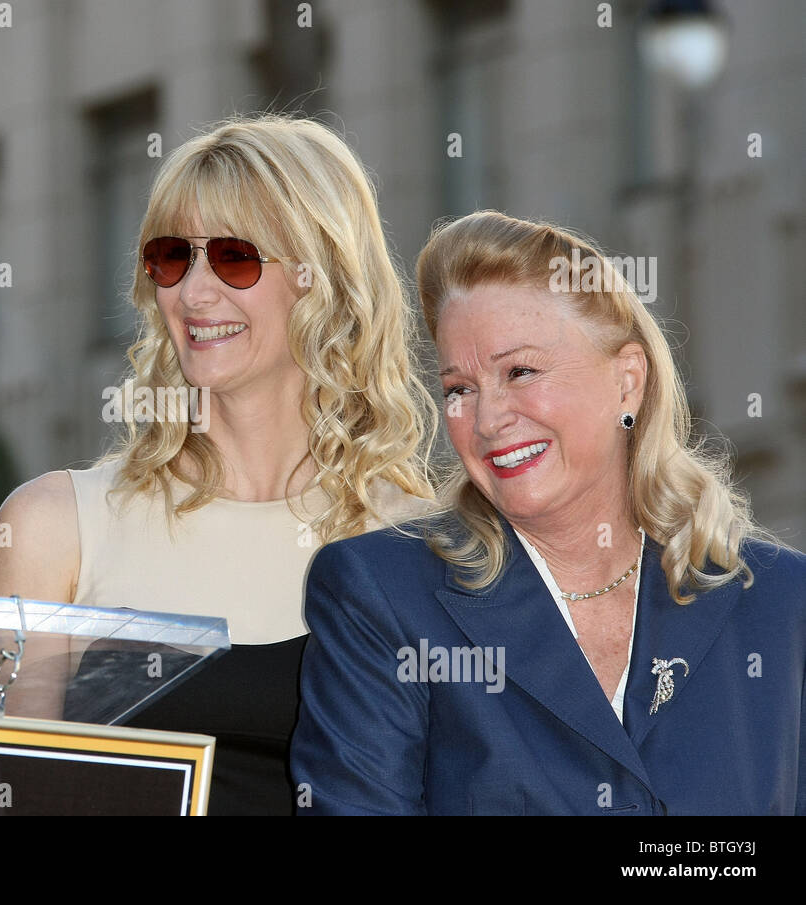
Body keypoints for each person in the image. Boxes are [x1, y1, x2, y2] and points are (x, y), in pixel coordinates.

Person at [0, 114, 435, 814]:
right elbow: (4, 797)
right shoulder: (55, 527)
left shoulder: (420, 543)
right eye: (171, 256)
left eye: (234, 257)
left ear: (320, 279)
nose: (193, 293)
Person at [292, 210, 806, 815]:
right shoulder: (381, 594)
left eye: (521, 372)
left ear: (627, 383)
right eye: (459, 388)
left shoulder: (779, 601)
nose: (487, 420)